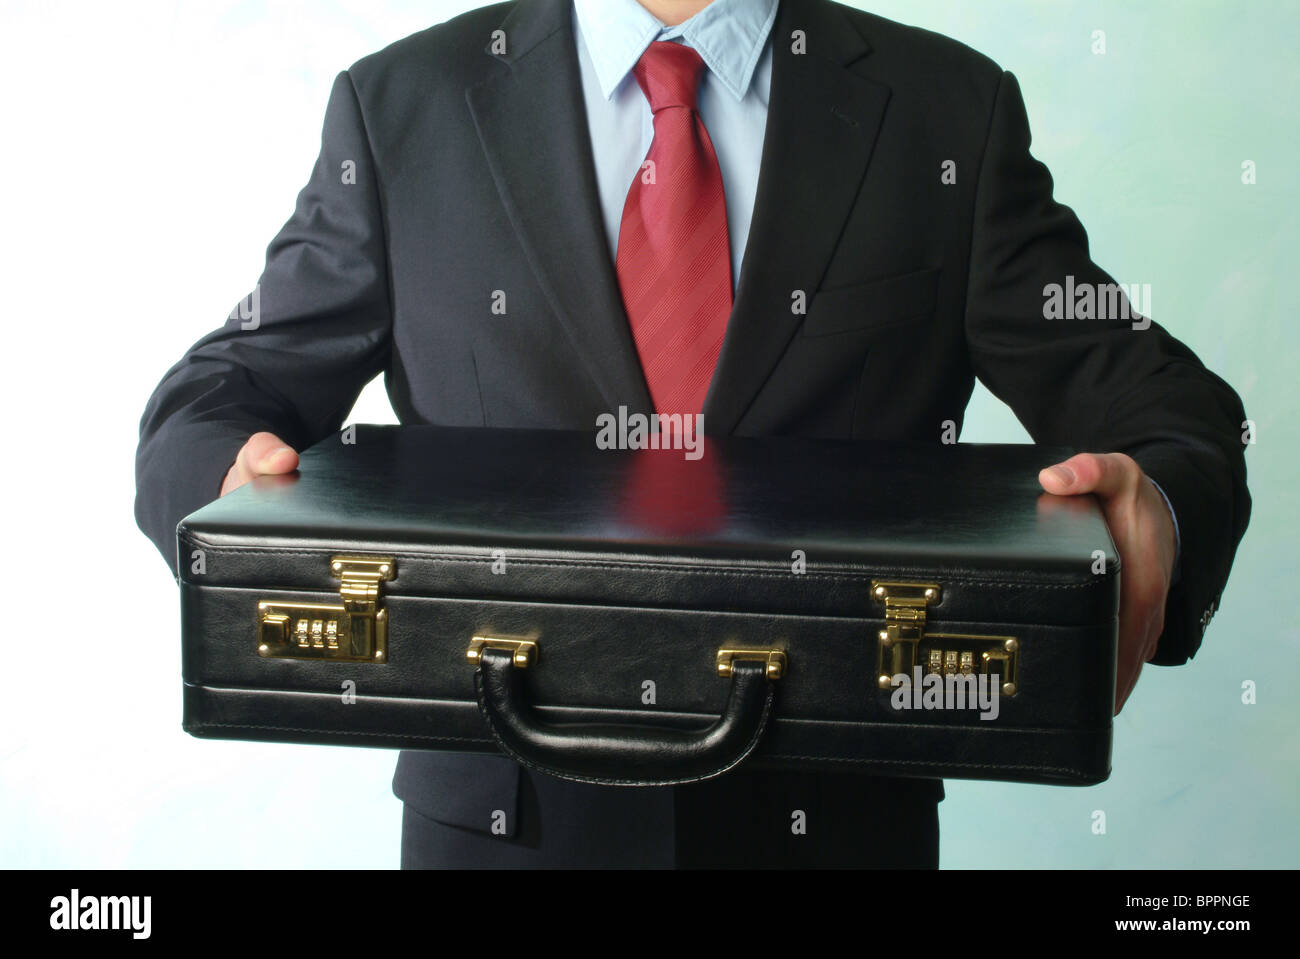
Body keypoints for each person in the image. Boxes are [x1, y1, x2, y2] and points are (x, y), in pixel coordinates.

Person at [134, 0, 1251, 868]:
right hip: (500, 834)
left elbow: (1171, 413)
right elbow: (213, 396)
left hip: (838, 829)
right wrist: (229, 488)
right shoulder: (401, 108)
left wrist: (1158, 501)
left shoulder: (941, 111)